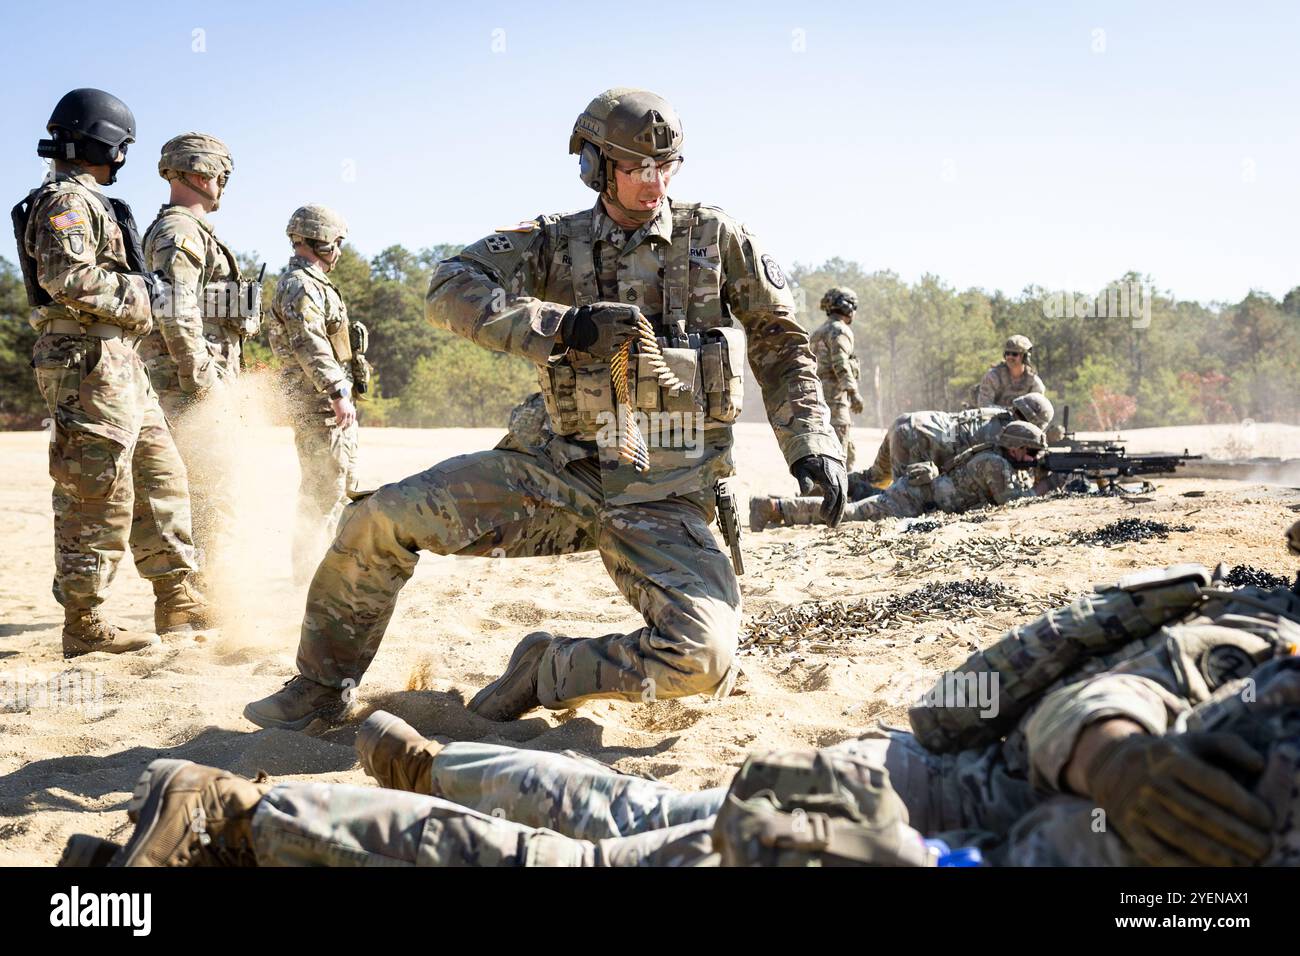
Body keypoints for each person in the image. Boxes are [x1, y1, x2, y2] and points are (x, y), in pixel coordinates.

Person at [78, 545, 1300, 867]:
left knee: (638, 807)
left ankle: (430, 770)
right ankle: (245, 818)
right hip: (958, 808)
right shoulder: (1273, 637)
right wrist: (1120, 759)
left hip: (972, 811)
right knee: (644, 842)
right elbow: (1100, 695)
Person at [243, 87, 846, 731]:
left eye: (666, 167)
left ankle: (546, 670)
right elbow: (449, 287)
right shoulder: (555, 243)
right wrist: (558, 325)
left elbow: (782, 345)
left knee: (702, 659)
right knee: (377, 518)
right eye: (637, 167)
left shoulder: (717, 237)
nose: (654, 182)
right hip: (552, 475)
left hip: (664, 496)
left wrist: (813, 444)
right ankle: (320, 685)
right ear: (594, 166)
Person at [15, 88, 210, 657]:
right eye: (122, 144)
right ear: (107, 142)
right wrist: (142, 293)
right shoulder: (64, 201)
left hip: (120, 361)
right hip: (87, 361)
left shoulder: (92, 201)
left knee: (160, 479)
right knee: (94, 491)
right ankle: (85, 620)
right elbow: (64, 277)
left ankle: (176, 596)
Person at [141, 133, 259, 571]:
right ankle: (205, 594)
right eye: (221, 173)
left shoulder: (186, 230)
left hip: (197, 380)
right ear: (199, 172)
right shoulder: (179, 230)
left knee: (212, 493)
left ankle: (205, 590)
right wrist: (205, 383)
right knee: (210, 494)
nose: (225, 182)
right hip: (191, 386)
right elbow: (175, 310)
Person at [264, 204, 360, 582]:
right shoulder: (301, 284)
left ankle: (329, 577)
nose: (339, 250)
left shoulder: (312, 283)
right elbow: (309, 341)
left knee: (339, 490)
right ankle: (309, 582)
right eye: (337, 243)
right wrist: (336, 390)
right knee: (322, 495)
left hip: (326, 404)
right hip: (319, 405)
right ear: (323, 242)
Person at [751, 420, 1048, 530]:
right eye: (1031, 454)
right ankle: (775, 508)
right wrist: (1046, 486)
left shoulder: (994, 458)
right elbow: (1012, 502)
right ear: (1016, 448)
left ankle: (782, 504)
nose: (1032, 460)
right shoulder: (995, 464)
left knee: (857, 506)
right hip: (915, 498)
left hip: (919, 496)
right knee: (850, 515)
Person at [862, 392, 1054, 487]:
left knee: (875, 477)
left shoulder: (997, 414)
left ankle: (839, 488)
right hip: (918, 438)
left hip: (908, 422)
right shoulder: (1007, 436)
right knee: (899, 498)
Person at [809, 287, 863, 468]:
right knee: (839, 454)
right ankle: (838, 495)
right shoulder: (839, 330)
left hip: (816, 399)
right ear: (847, 307)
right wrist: (853, 392)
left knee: (827, 450)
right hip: (835, 400)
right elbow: (840, 363)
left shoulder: (818, 332)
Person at [975, 334, 1045, 408]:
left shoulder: (1033, 383)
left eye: (1014, 354)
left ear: (1025, 357)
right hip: (992, 418)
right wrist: (1009, 413)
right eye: (1007, 353)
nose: (1010, 357)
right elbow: (984, 405)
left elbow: (1038, 410)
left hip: (1022, 419)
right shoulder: (993, 377)